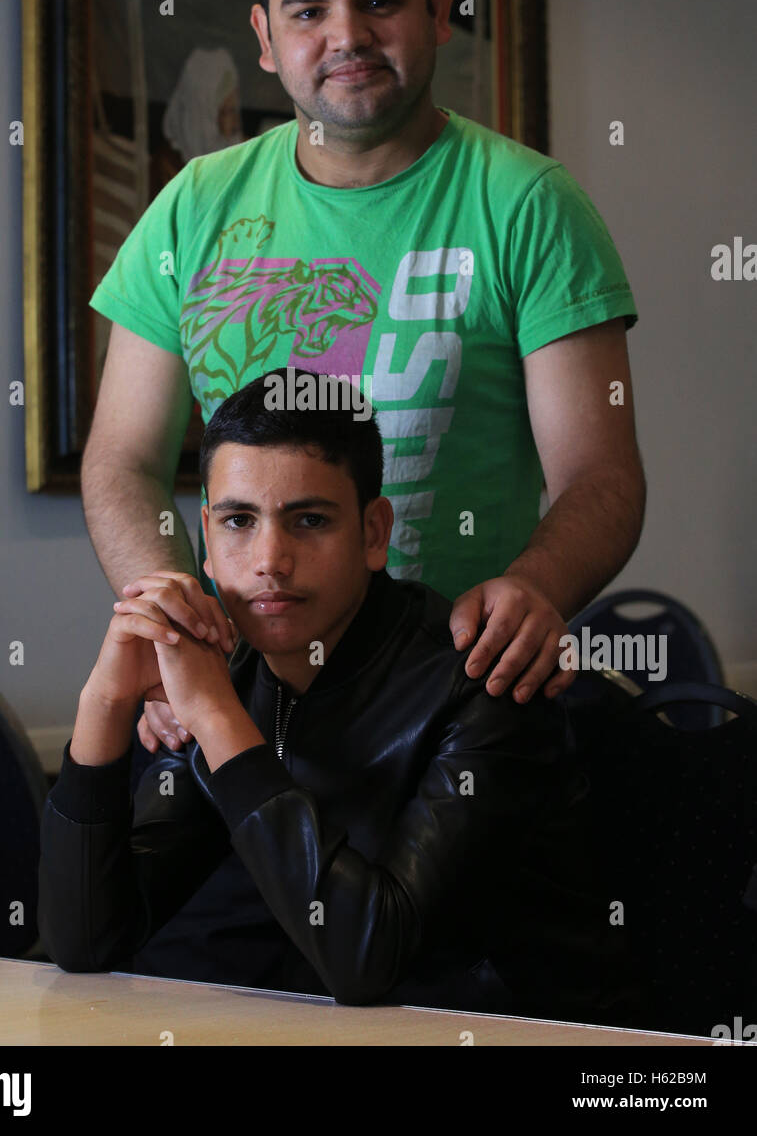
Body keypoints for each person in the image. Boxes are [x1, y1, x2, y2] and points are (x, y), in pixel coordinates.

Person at [81, 0, 645, 761]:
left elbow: (600, 477)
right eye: (307, 11)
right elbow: (121, 460)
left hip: (454, 707)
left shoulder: (529, 204)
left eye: (377, 1)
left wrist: (533, 588)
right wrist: (173, 624)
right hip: (235, 714)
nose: (345, 36)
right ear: (265, 37)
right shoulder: (193, 205)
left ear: (434, 8)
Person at [40, 371, 636, 1021]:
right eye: (239, 520)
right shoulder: (233, 669)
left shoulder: (479, 684)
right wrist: (103, 705)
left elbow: (368, 959)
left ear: (372, 532)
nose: (270, 558)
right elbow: (87, 942)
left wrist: (214, 716)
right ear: (206, 541)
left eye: (310, 520)